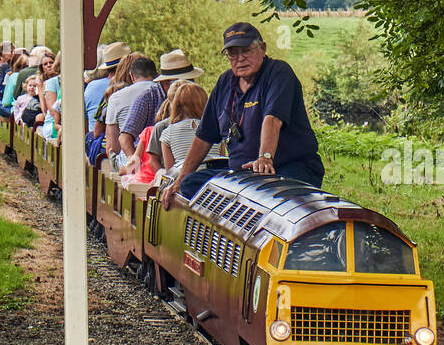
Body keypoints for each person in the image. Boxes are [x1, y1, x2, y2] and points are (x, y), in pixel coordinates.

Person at [160, 22, 323, 208]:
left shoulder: (278, 73)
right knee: (191, 184)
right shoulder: (225, 82)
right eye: (232, 53)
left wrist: (265, 158)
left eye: (246, 51)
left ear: (262, 48)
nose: (239, 59)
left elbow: (272, 119)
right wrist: (180, 179)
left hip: (288, 167)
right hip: (243, 173)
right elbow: (204, 137)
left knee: (270, 198)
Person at [117, 49, 202, 158]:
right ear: (168, 82)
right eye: (187, 81)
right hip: (153, 162)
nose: (191, 84)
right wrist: (136, 162)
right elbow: (125, 137)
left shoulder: (197, 96)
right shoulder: (147, 98)